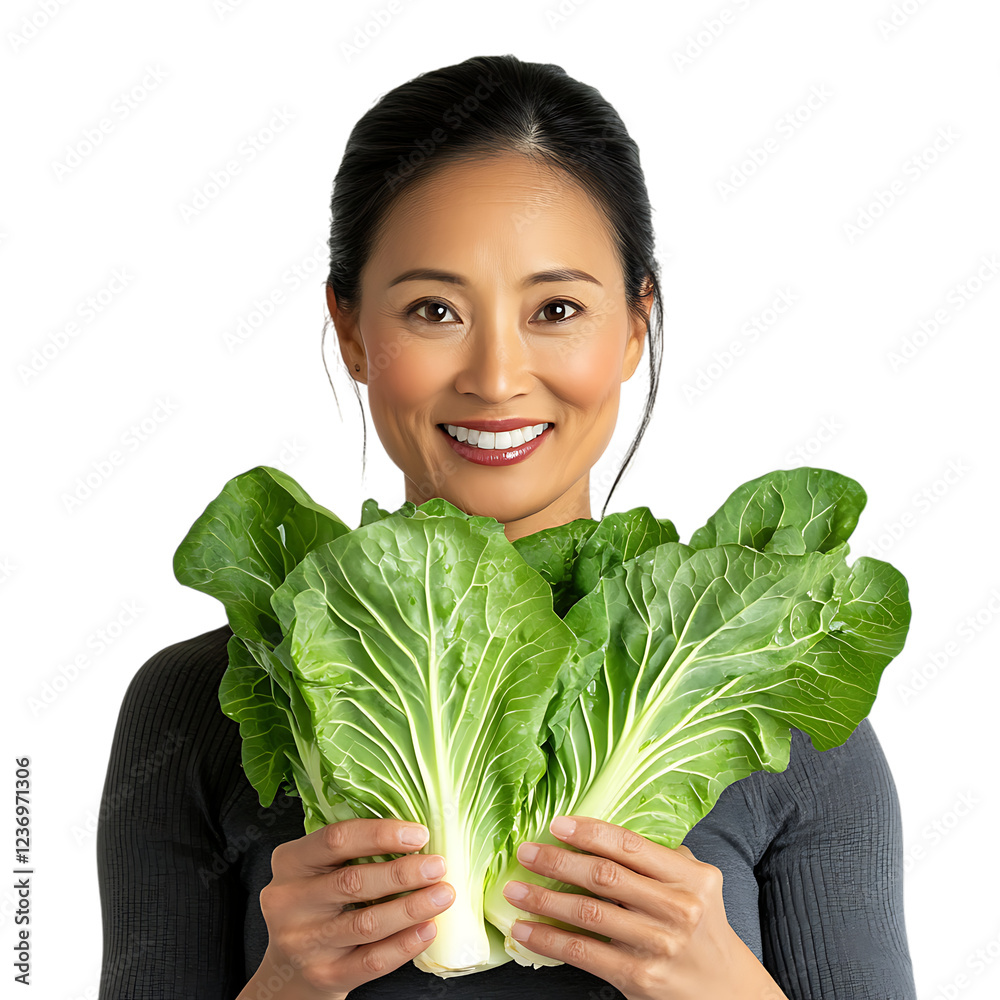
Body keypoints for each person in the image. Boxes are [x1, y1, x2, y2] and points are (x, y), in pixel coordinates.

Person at [97, 54, 917, 999]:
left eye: (556, 309)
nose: (495, 376)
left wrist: (726, 987)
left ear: (634, 326)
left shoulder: (773, 689)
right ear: (353, 329)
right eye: (433, 309)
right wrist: (285, 985)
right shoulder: (191, 706)